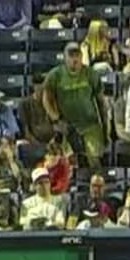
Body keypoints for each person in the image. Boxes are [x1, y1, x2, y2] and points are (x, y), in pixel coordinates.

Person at [42, 41, 110, 171]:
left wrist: (105, 127)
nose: (74, 59)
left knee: (94, 158)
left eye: (77, 55)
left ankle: (97, 181)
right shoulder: (55, 75)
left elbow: (101, 101)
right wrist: (56, 119)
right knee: (69, 161)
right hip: (68, 125)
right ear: (65, 57)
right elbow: (47, 98)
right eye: (71, 55)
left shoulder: (91, 74)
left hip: (90, 124)